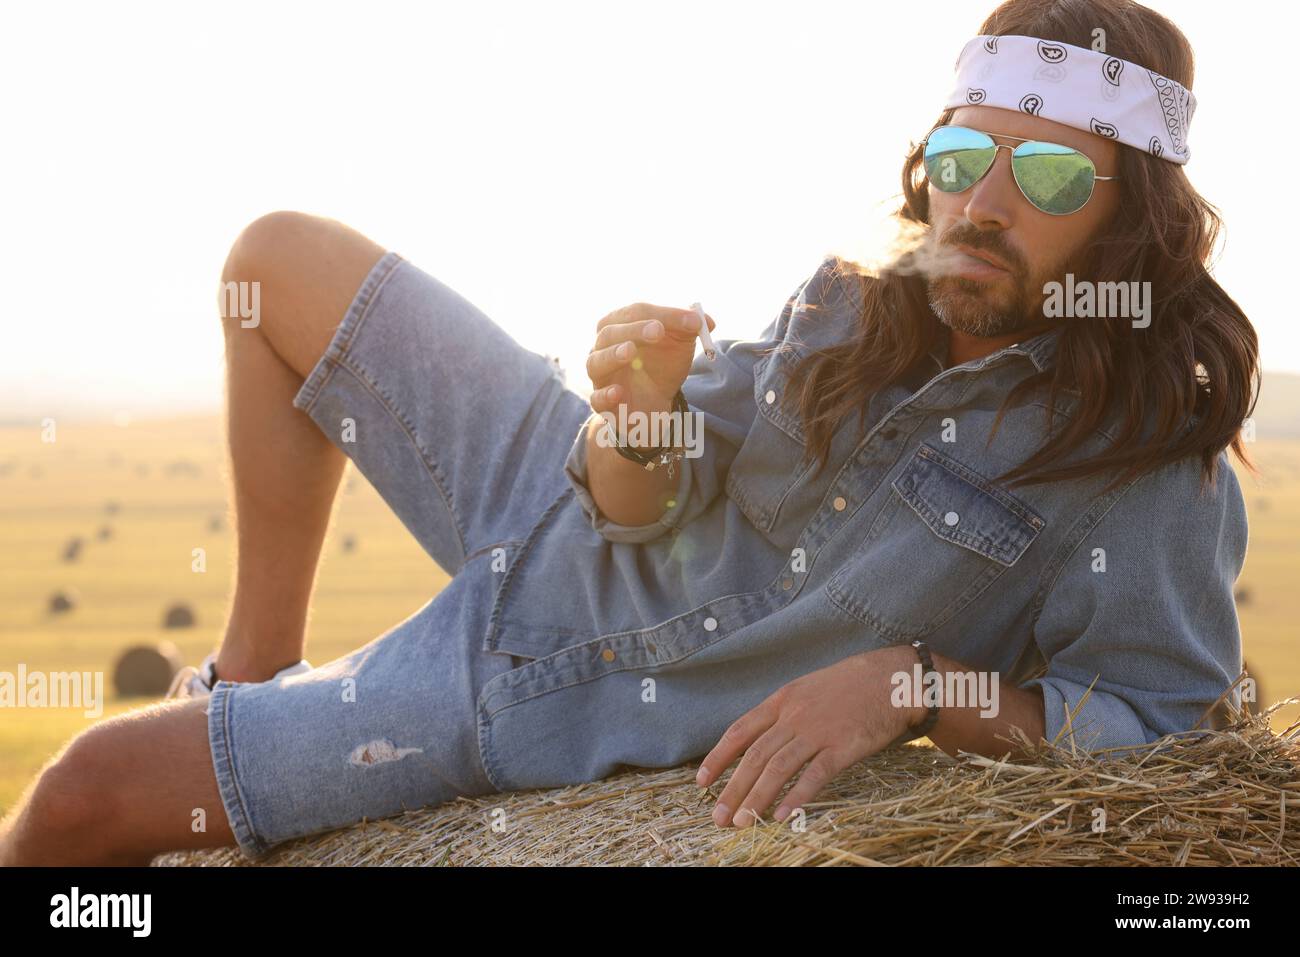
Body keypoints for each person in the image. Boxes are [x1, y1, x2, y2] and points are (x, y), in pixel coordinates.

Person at [0, 0, 1256, 865]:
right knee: (271, 260)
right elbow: (634, 503)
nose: (981, 204)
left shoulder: (1141, 466)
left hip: (560, 682)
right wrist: (639, 418)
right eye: (966, 153)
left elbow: (1156, 723)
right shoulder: (855, 309)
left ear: (1128, 219)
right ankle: (256, 656)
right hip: (568, 514)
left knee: (77, 803)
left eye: (1044, 180)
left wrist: (915, 685)